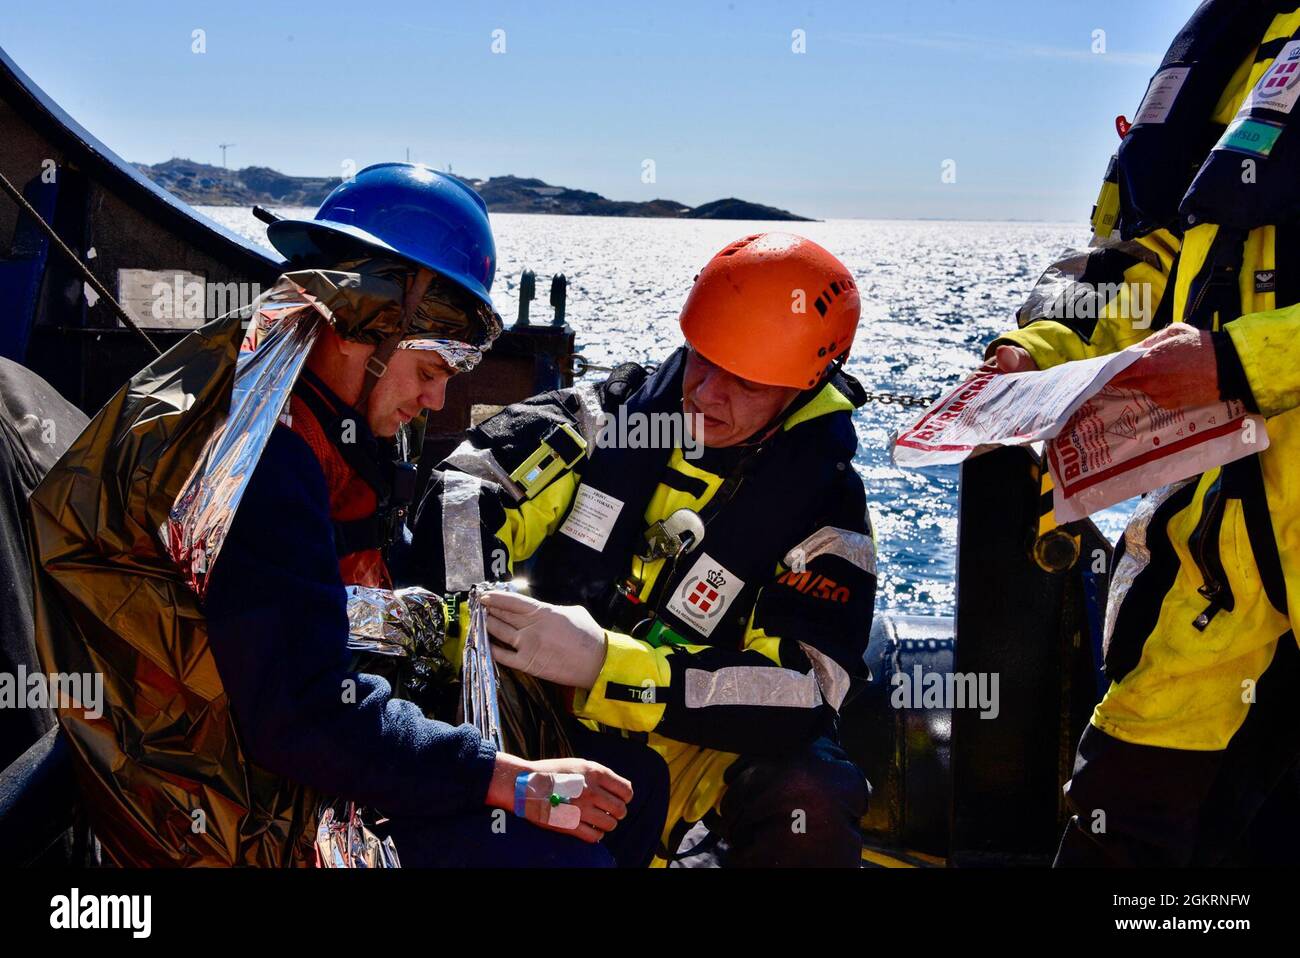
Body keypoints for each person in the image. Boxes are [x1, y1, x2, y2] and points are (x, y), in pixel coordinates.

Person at [196, 162, 670, 867]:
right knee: (571, 858)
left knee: (633, 791)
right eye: (429, 372)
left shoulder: (333, 431)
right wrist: (507, 779)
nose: (436, 404)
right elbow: (301, 716)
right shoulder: (270, 460)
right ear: (366, 325)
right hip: (257, 803)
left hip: (327, 754)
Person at [410, 232, 877, 866]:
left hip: (694, 757)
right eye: (702, 359)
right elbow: (462, 492)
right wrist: (475, 616)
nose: (707, 393)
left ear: (808, 383)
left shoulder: (827, 514)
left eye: (745, 382)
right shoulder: (599, 419)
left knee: (811, 796)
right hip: (544, 715)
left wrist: (607, 664)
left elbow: (808, 688)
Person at [981, 0, 1300, 866]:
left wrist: (1244, 361)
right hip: (1221, 551)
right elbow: (1138, 254)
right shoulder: (1235, 43)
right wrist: (1036, 351)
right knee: (1119, 819)